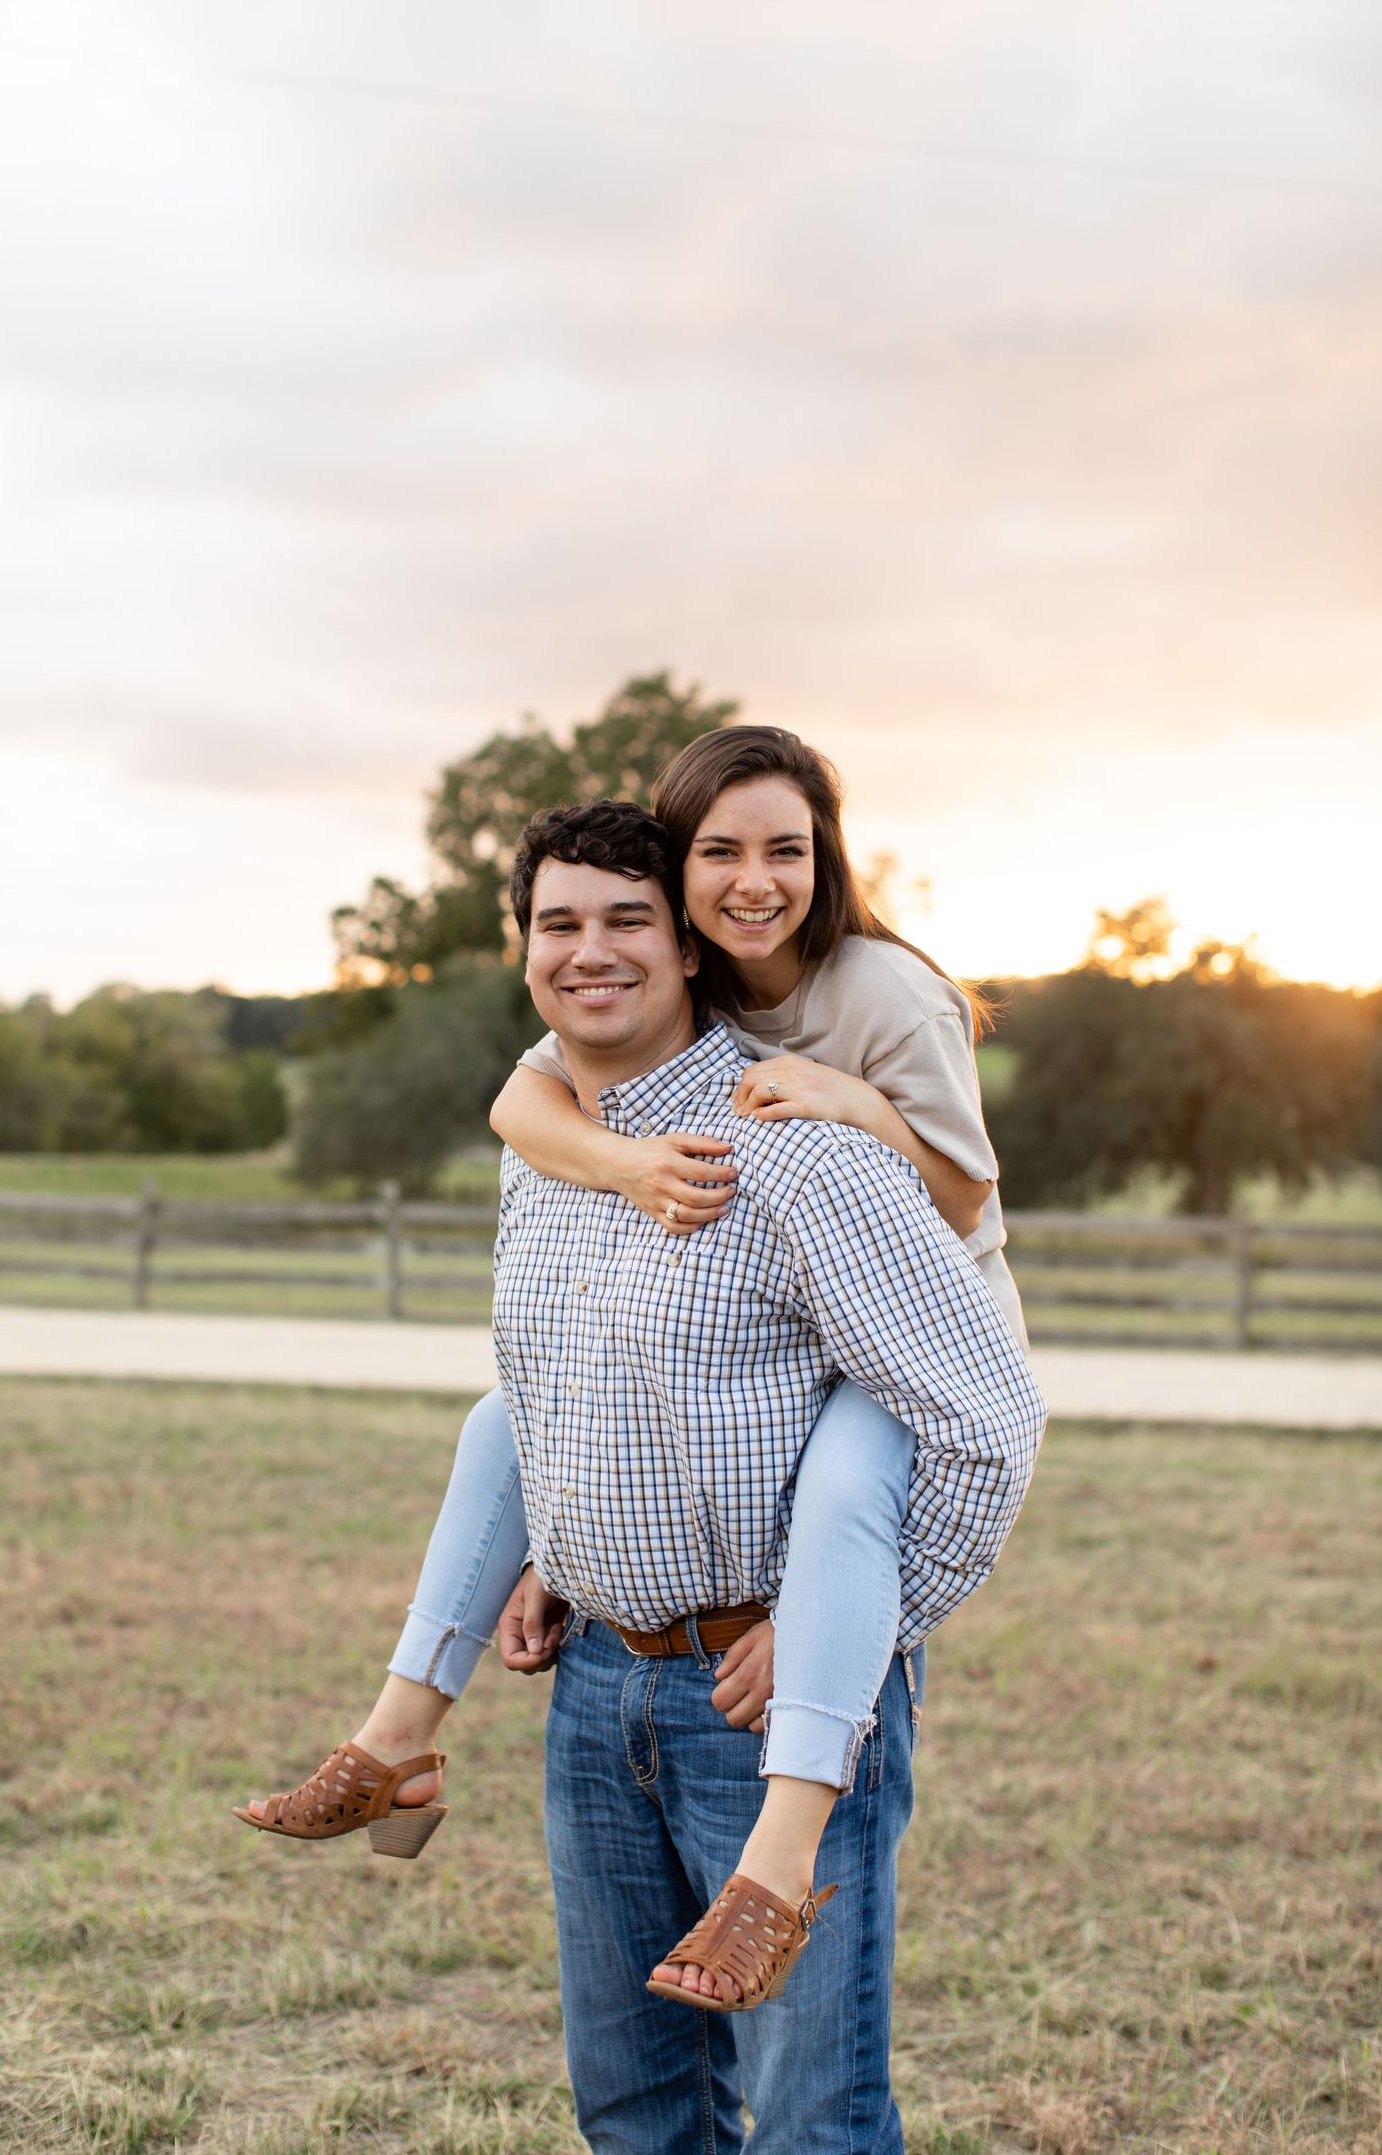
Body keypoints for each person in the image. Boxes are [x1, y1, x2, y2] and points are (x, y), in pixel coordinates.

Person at [236, 730, 1023, 1972]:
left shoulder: (883, 994)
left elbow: (967, 1201)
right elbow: (519, 1100)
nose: (753, 880)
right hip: (752, 1368)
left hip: (925, 1311)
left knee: (845, 1486)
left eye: (785, 849)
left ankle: (781, 1862)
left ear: (826, 857)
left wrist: (860, 1107)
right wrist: (571, 1539)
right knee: (507, 1418)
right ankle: (396, 1736)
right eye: (719, 852)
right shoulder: (673, 993)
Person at [484, 800, 1043, 2150]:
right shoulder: (548, 1151)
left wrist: (851, 1628)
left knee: (809, 2121)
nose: (589, 951)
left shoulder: (802, 1145)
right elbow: (574, 1377)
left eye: (627, 920)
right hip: (595, 1685)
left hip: (766, 1691)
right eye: (559, 924)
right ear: (524, 950)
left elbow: (985, 1418)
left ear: (689, 946)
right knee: (634, 2105)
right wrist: (559, 1545)